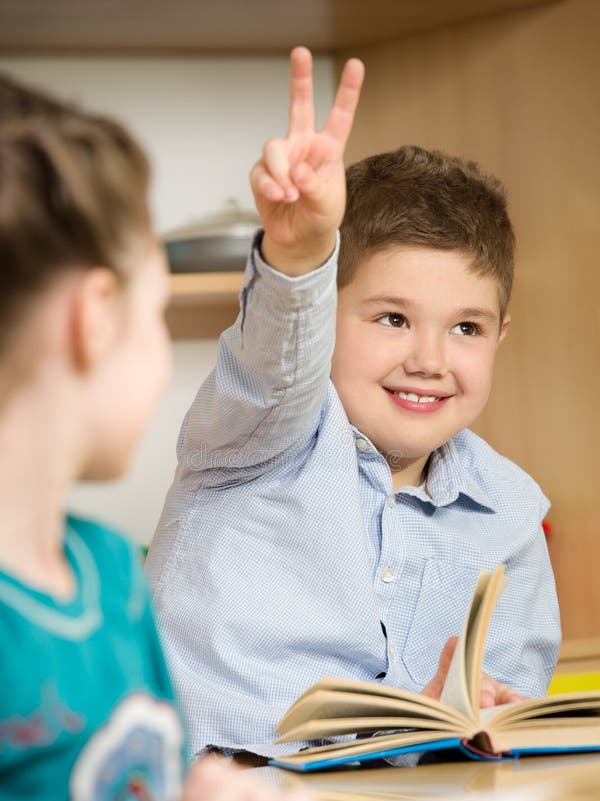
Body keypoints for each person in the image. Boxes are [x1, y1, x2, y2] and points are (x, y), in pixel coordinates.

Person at [147, 47, 560, 761]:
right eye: (391, 319)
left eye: (466, 328)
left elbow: (508, 702)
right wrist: (301, 257)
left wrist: (477, 718)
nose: (429, 361)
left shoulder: (512, 514)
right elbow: (274, 359)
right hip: (206, 798)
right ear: (325, 320)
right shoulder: (262, 431)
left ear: (500, 335)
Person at [0, 72, 308, 801]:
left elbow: (144, 791)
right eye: (155, 312)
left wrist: (197, 799)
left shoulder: (111, 576)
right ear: (94, 318)